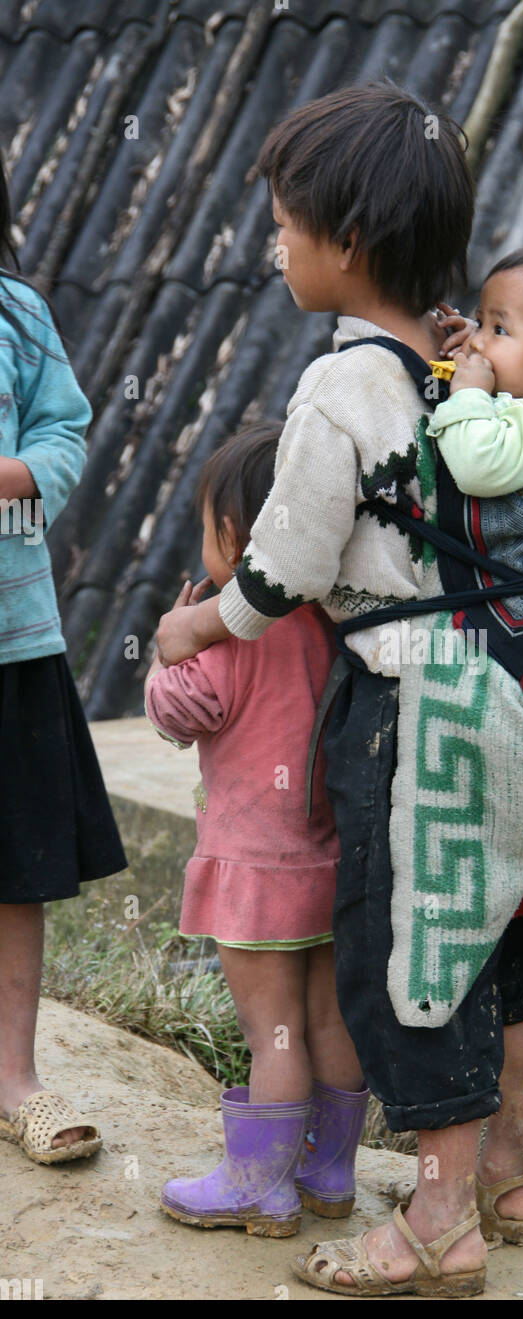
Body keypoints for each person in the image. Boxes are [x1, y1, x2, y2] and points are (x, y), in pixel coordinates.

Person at [155, 79, 523, 1298]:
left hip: (413, 700)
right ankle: (510, 1179)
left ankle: (436, 1220)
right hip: (520, 688)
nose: (272, 242)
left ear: (345, 241)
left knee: (405, 952)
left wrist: (198, 620)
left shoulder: (343, 386)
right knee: (499, 938)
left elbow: (289, 561)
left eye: (284, 221)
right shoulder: (471, 363)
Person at [145, 423, 367, 1237]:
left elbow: (183, 711)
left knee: (269, 1029)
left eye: (206, 528)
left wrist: (168, 654)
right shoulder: (335, 618)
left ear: (235, 539)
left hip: (254, 873)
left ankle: (258, 1186)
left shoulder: (226, 629)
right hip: (332, 862)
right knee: (328, 1018)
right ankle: (330, 1173)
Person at [0, 152, 127, 1165]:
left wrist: (14, 475)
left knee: (16, 871)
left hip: (12, 640)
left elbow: (66, 431)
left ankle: (14, 1079)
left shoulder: (17, 314)